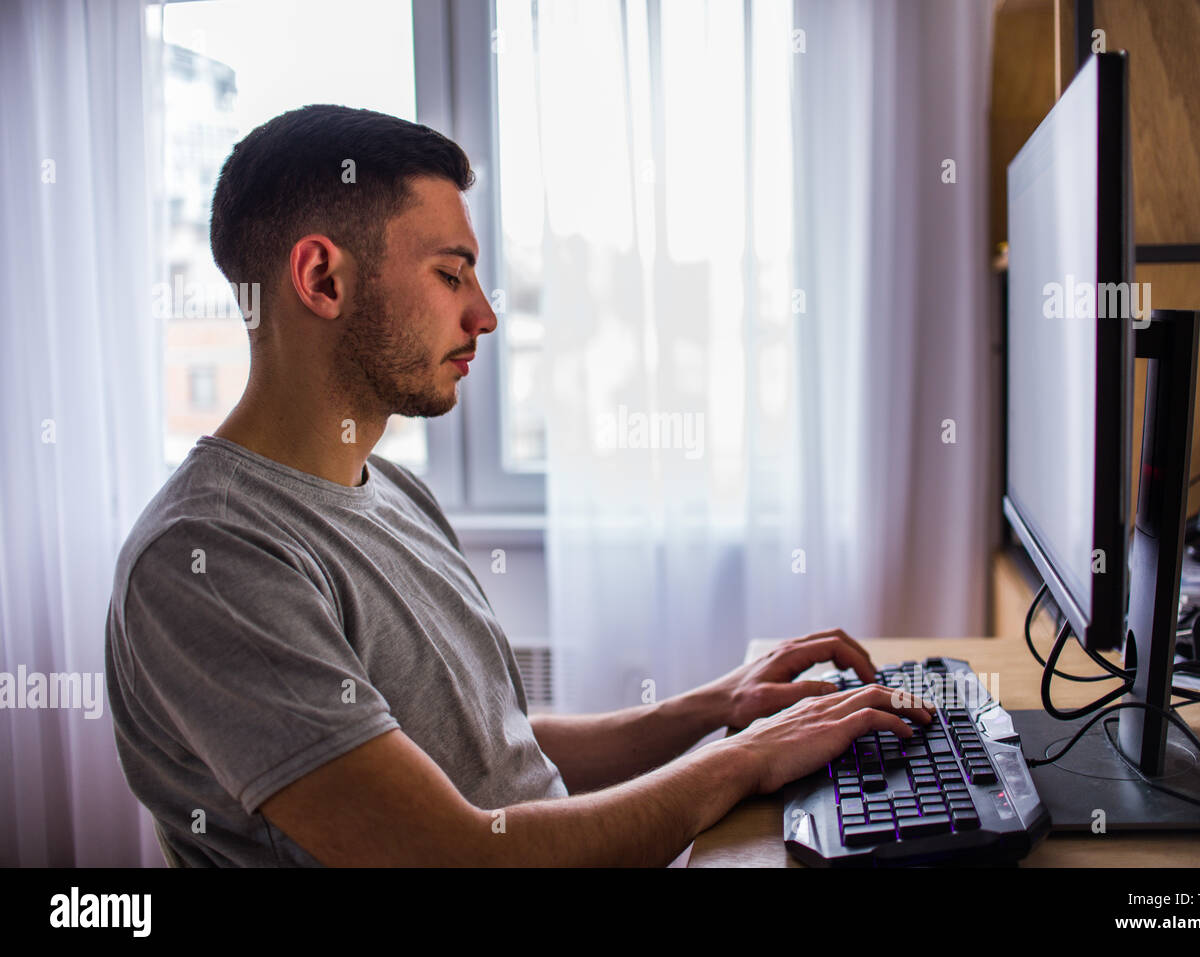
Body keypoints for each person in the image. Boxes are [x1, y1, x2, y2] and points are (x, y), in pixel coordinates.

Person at [105, 105, 932, 867]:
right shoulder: (208, 556)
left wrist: (718, 707)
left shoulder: (391, 491)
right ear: (323, 278)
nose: (486, 316)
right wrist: (745, 760)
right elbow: (454, 854)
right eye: (451, 272)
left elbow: (493, 754)